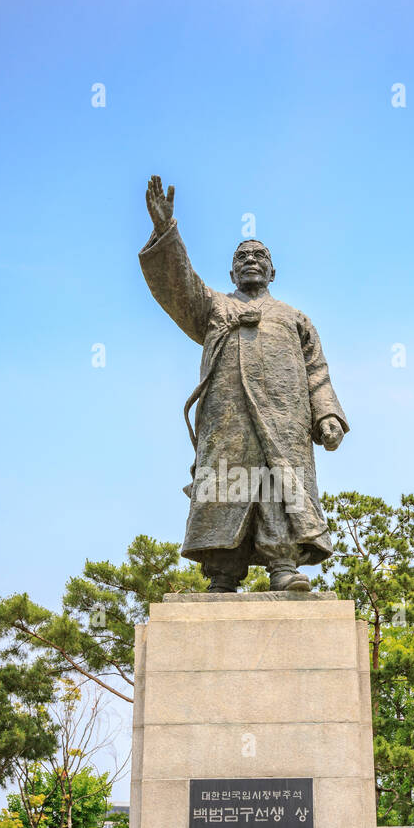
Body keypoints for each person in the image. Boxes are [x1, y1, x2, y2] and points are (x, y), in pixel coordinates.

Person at [139, 176, 348, 591]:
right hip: (227, 418)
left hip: (284, 421)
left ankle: (283, 567)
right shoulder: (216, 307)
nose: (251, 259)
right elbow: (181, 287)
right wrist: (166, 233)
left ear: (273, 270)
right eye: (242, 256)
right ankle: (222, 573)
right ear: (231, 270)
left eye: (260, 255)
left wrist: (327, 414)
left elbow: (317, 370)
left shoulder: (294, 318)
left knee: (280, 486)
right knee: (225, 486)